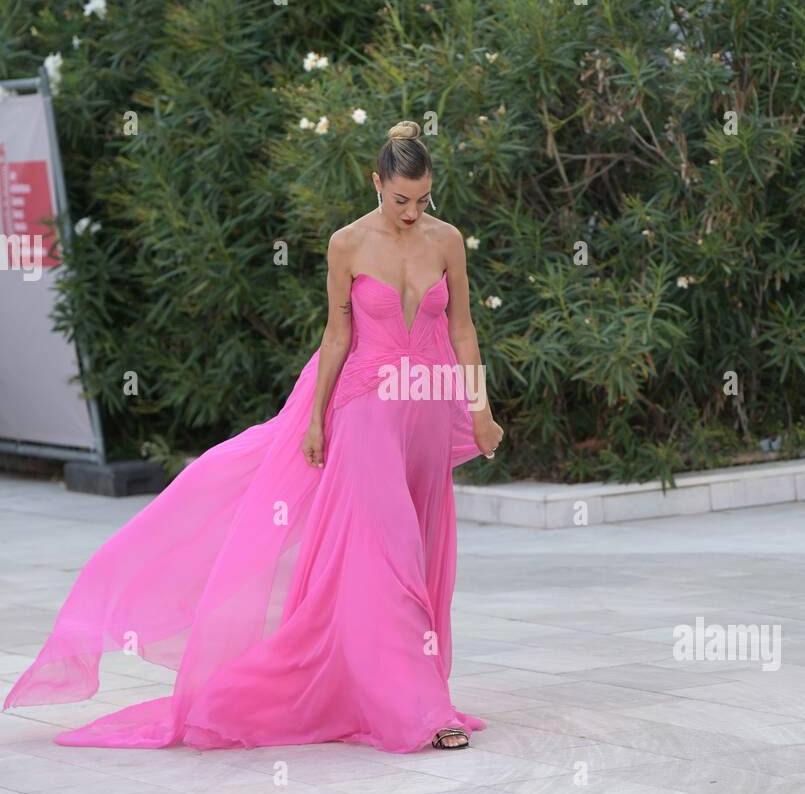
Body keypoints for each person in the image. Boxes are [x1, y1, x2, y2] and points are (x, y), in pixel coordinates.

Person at [4, 121, 504, 753]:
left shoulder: (447, 241)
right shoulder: (346, 244)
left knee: (427, 550)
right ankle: (421, 712)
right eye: (399, 198)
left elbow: (462, 330)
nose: (411, 212)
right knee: (390, 554)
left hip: (428, 411)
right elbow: (336, 336)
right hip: (366, 412)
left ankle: (394, 688)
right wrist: (319, 416)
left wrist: (478, 409)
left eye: (422, 199)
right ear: (375, 183)